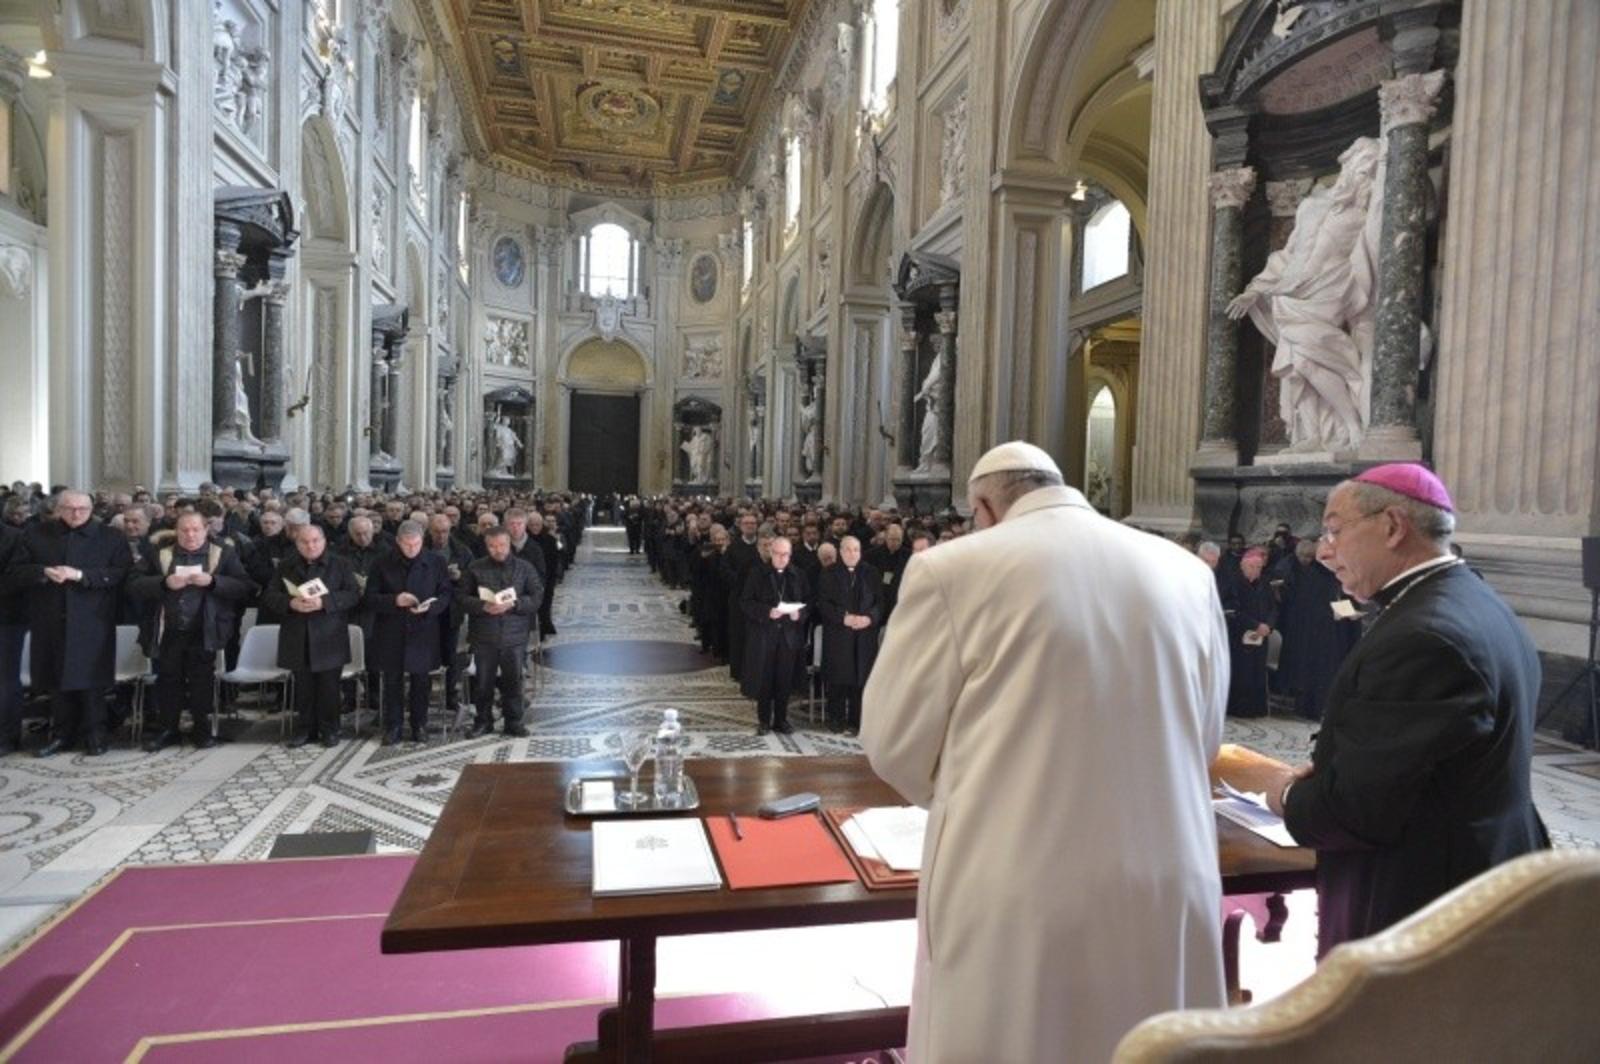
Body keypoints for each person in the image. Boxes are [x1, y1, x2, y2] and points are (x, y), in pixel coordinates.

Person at [861, 442, 1229, 1062]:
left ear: (983, 505)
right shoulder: (1186, 570)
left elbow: (894, 744)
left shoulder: (951, 570)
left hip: (1018, 876)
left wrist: (976, 788)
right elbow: (1206, 733)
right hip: (1168, 870)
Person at [1262, 463, 1549, 955]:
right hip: (1479, 873)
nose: (1326, 551)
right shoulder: (1472, 600)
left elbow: (1356, 812)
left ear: (1393, 527)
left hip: (1424, 904)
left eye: (1335, 529)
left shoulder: (1424, 634)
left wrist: (1286, 796)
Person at [6, 491, 134, 757]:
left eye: (82, 509)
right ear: (59, 509)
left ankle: (95, 734)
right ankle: (62, 734)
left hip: (92, 619)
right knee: (56, 679)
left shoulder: (110, 537)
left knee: (91, 681)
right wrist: (42, 572)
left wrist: (81, 575)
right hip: (49, 618)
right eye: (70, 509)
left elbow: (121, 573)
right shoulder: (36, 534)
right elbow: (16, 571)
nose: (76, 514)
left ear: (91, 510)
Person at [129, 511, 253, 750]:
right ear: (177, 531)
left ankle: (202, 729)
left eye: (196, 529)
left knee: (201, 681)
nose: (190, 535)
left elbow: (244, 586)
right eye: (184, 530)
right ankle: (169, 729)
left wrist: (214, 582)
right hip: (169, 629)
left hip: (205, 628)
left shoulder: (223, 553)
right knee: (168, 680)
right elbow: (133, 585)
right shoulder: (160, 554)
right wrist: (163, 583)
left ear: (206, 530)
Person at [262, 523, 361, 748]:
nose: (310, 545)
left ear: (324, 541)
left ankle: (330, 729)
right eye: (304, 542)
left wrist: (324, 602)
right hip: (297, 634)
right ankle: (304, 728)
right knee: (303, 687)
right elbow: (270, 595)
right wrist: (291, 603)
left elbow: (353, 595)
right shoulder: (286, 565)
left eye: (315, 541)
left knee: (329, 687)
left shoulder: (340, 564)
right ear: (297, 544)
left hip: (329, 634)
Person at [364, 521, 451, 745]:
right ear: (398, 542)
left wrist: (431, 607)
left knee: (420, 681)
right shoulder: (381, 562)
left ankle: (418, 725)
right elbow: (370, 598)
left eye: (416, 544)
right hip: (391, 630)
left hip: (423, 629)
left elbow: (446, 594)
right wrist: (394, 600)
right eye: (407, 544)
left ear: (423, 541)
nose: (412, 548)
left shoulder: (436, 561)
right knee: (392, 681)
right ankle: (393, 726)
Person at [457, 526, 542, 738]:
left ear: (509, 544)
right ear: (486, 546)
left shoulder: (524, 568)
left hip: (514, 635)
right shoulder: (475, 568)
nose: (498, 550)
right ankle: (483, 721)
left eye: (502, 545)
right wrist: (482, 606)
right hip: (484, 635)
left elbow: (536, 596)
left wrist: (514, 604)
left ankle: (514, 721)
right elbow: (461, 597)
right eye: (493, 546)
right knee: (483, 683)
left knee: (513, 681)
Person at [1275, 539, 1361, 721]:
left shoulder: (1335, 576)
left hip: (1334, 634)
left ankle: (1322, 708)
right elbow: (1307, 606)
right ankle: (1309, 707)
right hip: (1313, 634)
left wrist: (1347, 613)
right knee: (1312, 671)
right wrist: (1330, 613)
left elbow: (1344, 598)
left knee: (1327, 671)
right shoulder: (1311, 576)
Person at [738, 535, 809, 735]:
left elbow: (809, 602)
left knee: (784, 680)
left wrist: (799, 613)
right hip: (765, 635)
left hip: (788, 637)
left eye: (785, 554)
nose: (781, 558)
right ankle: (763, 721)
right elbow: (745, 602)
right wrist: (767, 612)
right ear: (771, 553)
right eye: (777, 554)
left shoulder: (798, 575)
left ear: (790, 555)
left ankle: (781, 720)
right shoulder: (757, 573)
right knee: (764, 680)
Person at [815, 535, 880, 735]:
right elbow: (822, 603)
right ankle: (836, 719)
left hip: (864, 634)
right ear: (841, 552)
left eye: (856, 550)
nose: (852, 554)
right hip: (839, 633)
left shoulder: (871, 572)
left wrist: (869, 618)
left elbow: (880, 603)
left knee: (861, 679)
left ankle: (857, 720)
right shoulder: (828, 573)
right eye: (848, 550)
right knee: (838, 678)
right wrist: (843, 618)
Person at [1223, 546, 1276, 718]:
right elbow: (1232, 610)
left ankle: (1255, 709)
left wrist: (1268, 625)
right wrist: (1254, 625)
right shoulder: (1233, 583)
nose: (1256, 570)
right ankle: (1238, 709)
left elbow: (1274, 608)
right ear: (1243, 566)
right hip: (1239, 636)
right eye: (1252, 567)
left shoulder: (1265, 583)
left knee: (1257, 672)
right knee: (1242, 672)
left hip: (1261, 636)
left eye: (1259, 567)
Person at [0, 520, 28, 755]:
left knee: (5, 681)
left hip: (6, 619)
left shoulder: (15, 537)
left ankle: (6, 737)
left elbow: (18, 578)